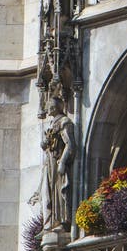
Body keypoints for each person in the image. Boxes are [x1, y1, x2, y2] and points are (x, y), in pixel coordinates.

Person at [41, 95, 76, 230]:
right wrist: (44, 143)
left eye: (49, 105)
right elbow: (46, 145)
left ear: (55, 107)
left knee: (58, 191)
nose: (46, 108)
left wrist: (62, 162)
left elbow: (70, 144)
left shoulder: (64, 122)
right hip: (49, 163)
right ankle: (50, 222)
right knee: (48, 192)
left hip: (57, 161)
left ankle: (61, 221)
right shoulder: (52, 124)